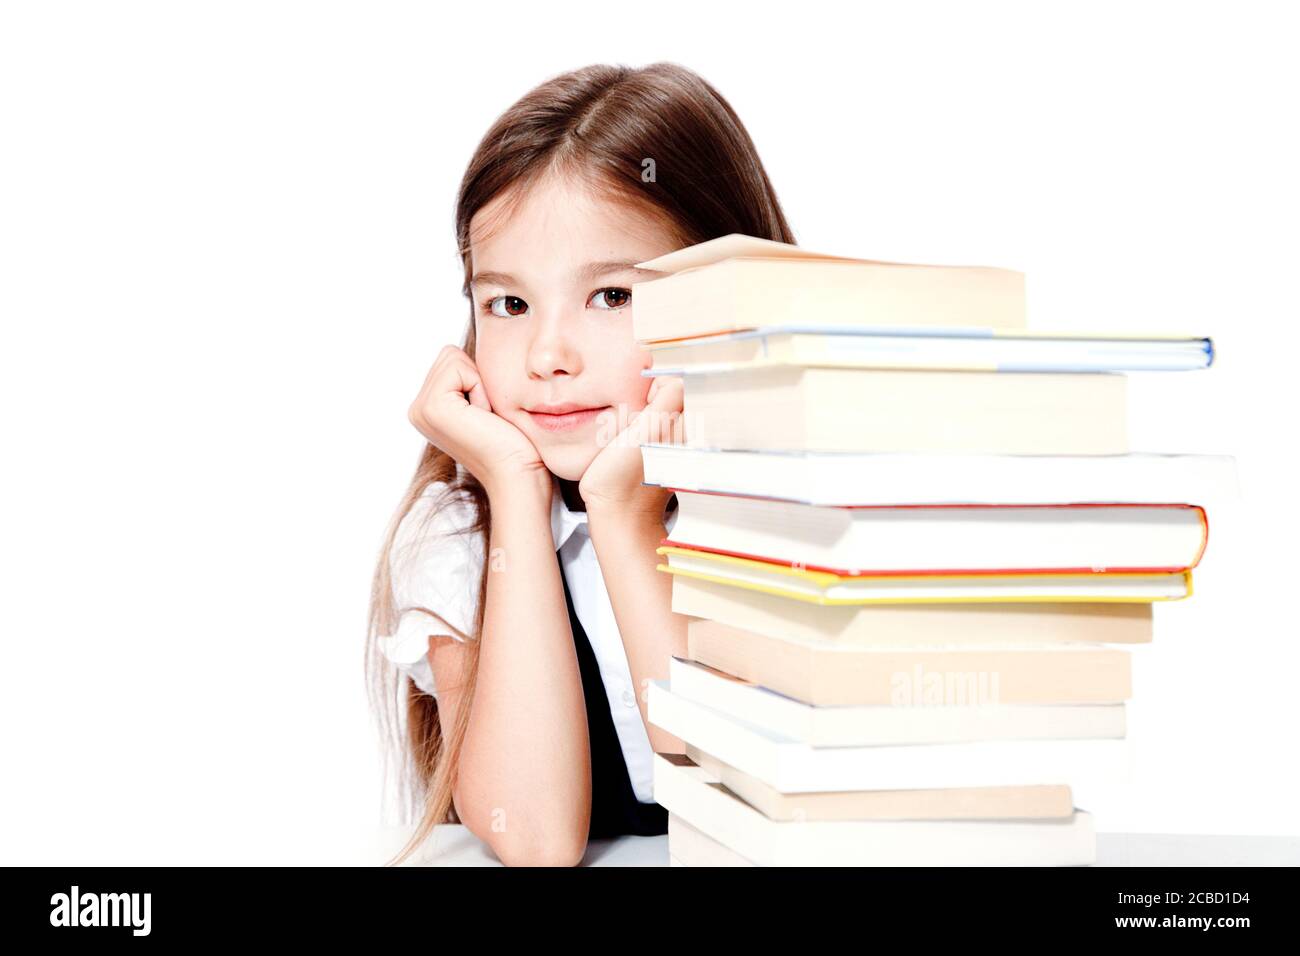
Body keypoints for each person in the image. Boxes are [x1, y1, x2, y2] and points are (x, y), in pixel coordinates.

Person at [366, 61, 795, 867]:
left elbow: (745, 800)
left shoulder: (788, 508)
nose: (547, 355)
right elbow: (532, 836)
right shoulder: (463, 532)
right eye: (510, 305)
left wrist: (629, 522)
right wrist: (517, 497)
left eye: (612, 297)